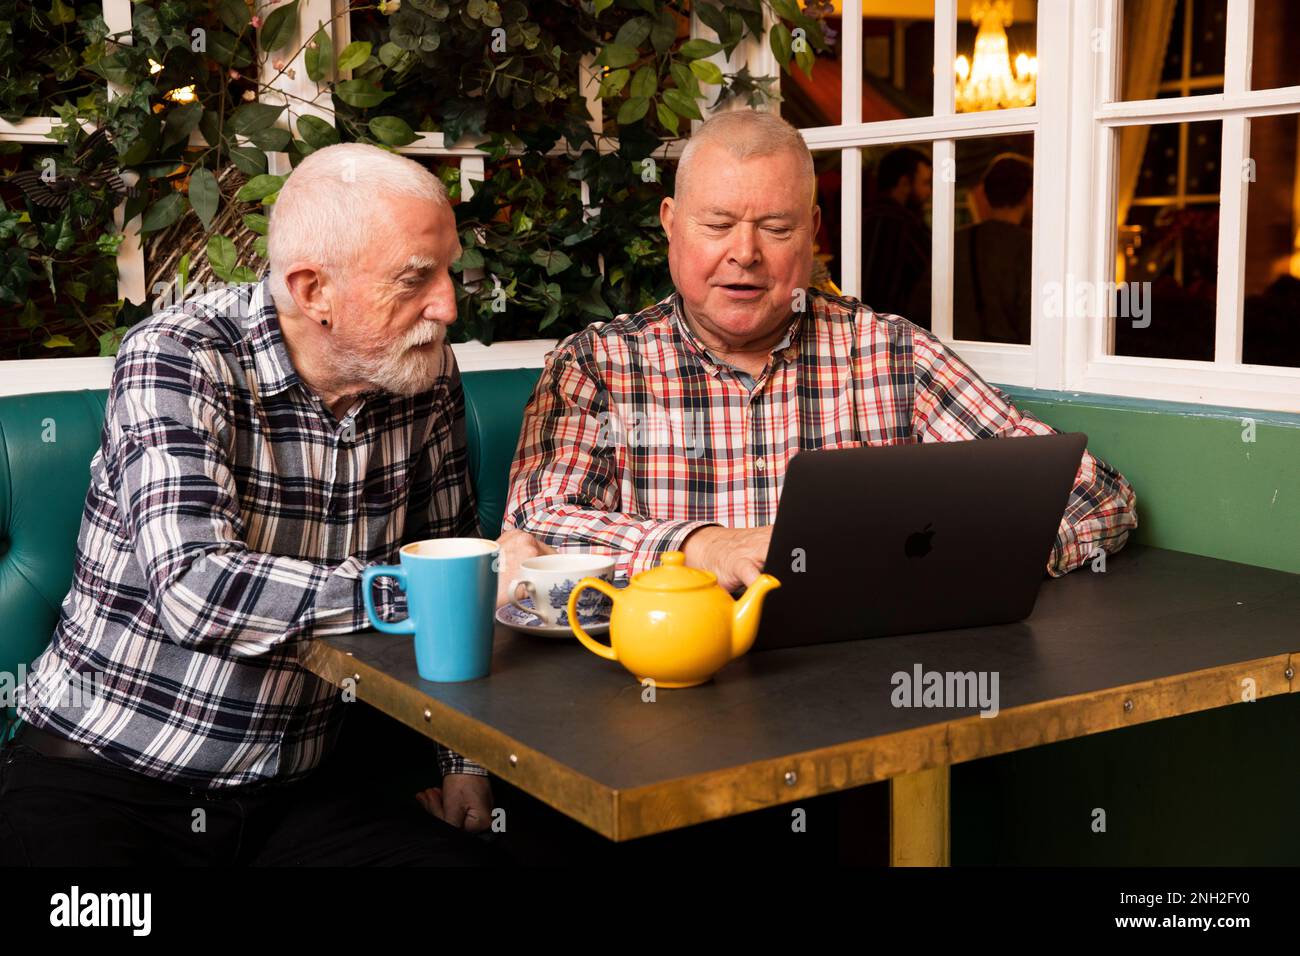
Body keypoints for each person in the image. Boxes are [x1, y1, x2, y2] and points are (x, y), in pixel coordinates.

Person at [0, 142, 549, 866]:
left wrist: (463, 767)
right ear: (312, 290)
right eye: (417, 278)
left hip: (305, 786)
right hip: (105, 773)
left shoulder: (423, 371)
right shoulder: (179, 356)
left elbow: (445, 553)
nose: (448, 304)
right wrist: (438, 588)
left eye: (449, 270)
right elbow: (197, 592)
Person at [503, 109, 1138, 594]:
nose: (745, 254)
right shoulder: (597, 365)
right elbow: (538, 521)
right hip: (664, 692)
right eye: (717, 225)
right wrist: (699, 545)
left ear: (811, 231)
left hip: (862, 693)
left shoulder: (892, 355)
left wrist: (932, 559)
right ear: (670, 222)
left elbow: (1096, 495)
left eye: (776, 229)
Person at [953, 153, 1034, 343]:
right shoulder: (1033, 247)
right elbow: (1032, 318)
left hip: (957, 357)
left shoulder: (956, 241)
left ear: (986, 194)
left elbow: (922, 306)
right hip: (1013, 359)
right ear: (1028, 195)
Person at [860, 146, 933, 328]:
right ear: (905, 183)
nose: (929, 192)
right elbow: (932, 280)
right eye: (925, 183)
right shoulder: (907, 225)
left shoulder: (858, 220)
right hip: (898, 335)